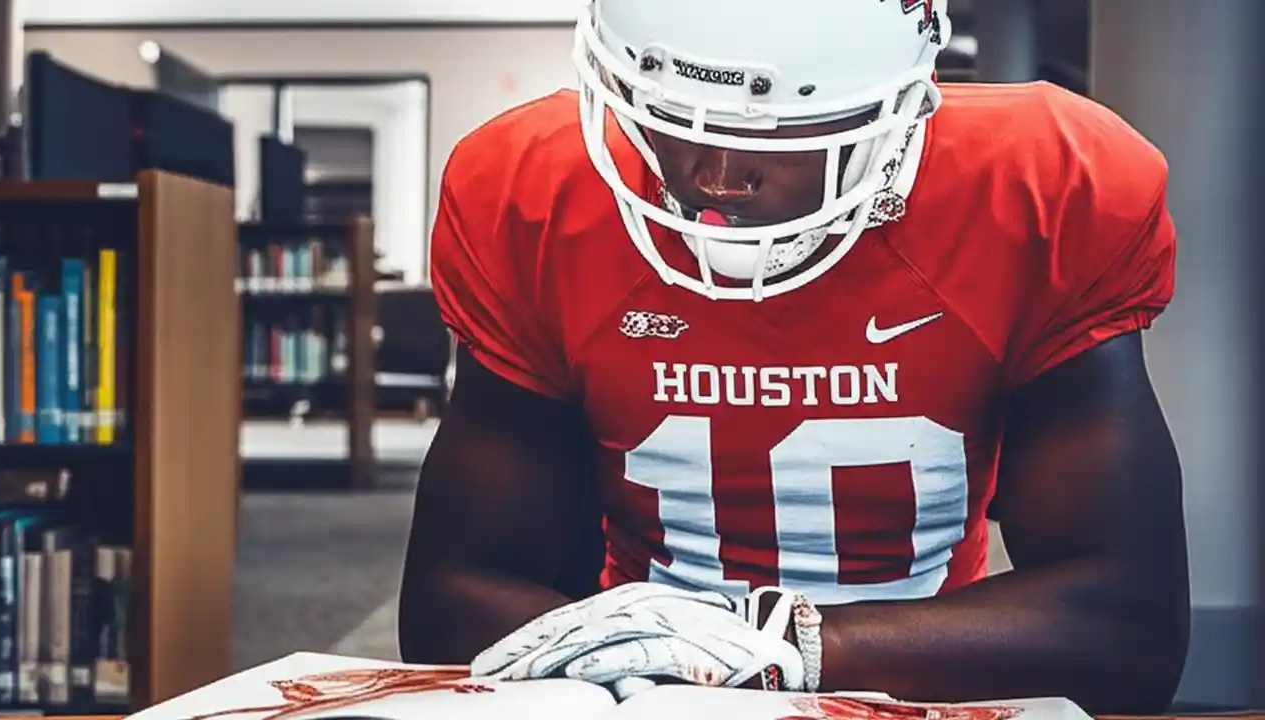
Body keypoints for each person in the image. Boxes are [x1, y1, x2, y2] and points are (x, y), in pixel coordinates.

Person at [398, 0, 1190, 714]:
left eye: (773, 130)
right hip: (644, 689)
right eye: (671, 119)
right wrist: (651, 649)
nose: (715, 178)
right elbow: (448, 601)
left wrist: (780, 648)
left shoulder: (1042, 187)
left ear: (899, 110)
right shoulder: (535, 191)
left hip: (919, 691)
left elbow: (1128, 627)